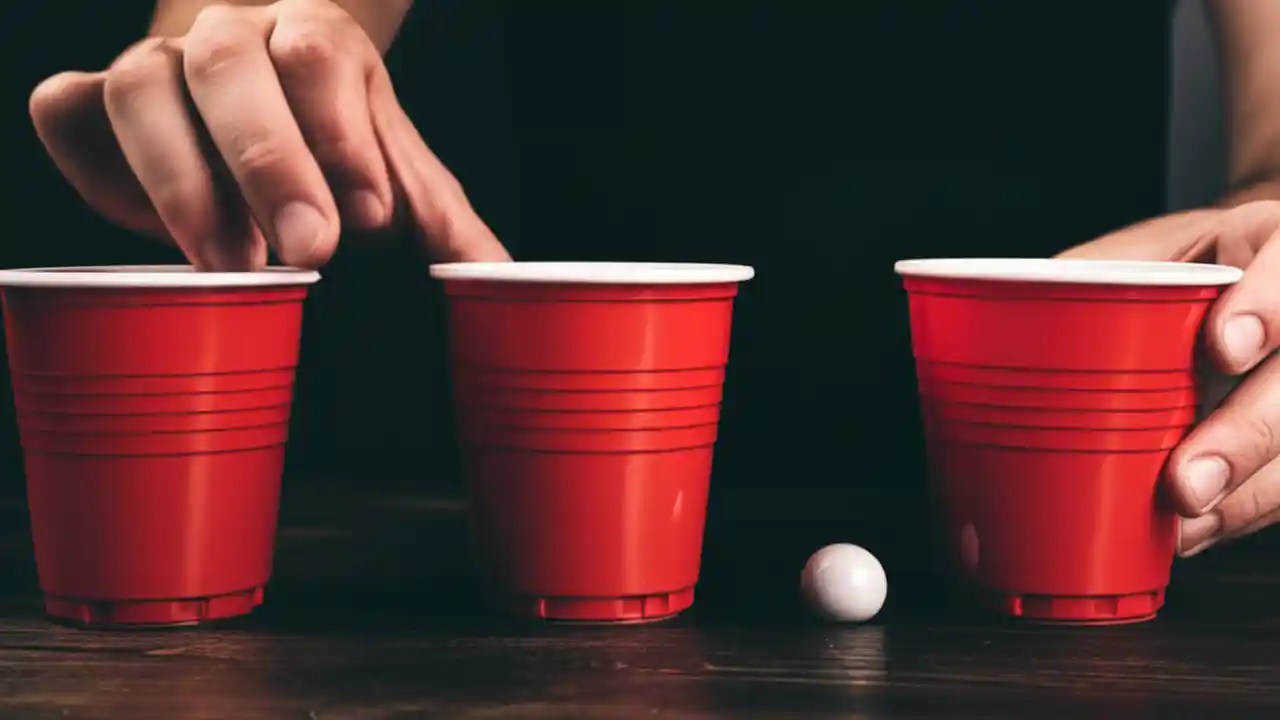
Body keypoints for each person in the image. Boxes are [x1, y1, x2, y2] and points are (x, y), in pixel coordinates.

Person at [23, 0, 1280, 558]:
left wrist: (1267, 236)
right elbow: (254, 13)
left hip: (1101, 505)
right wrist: (234, 51)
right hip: (528, 546)